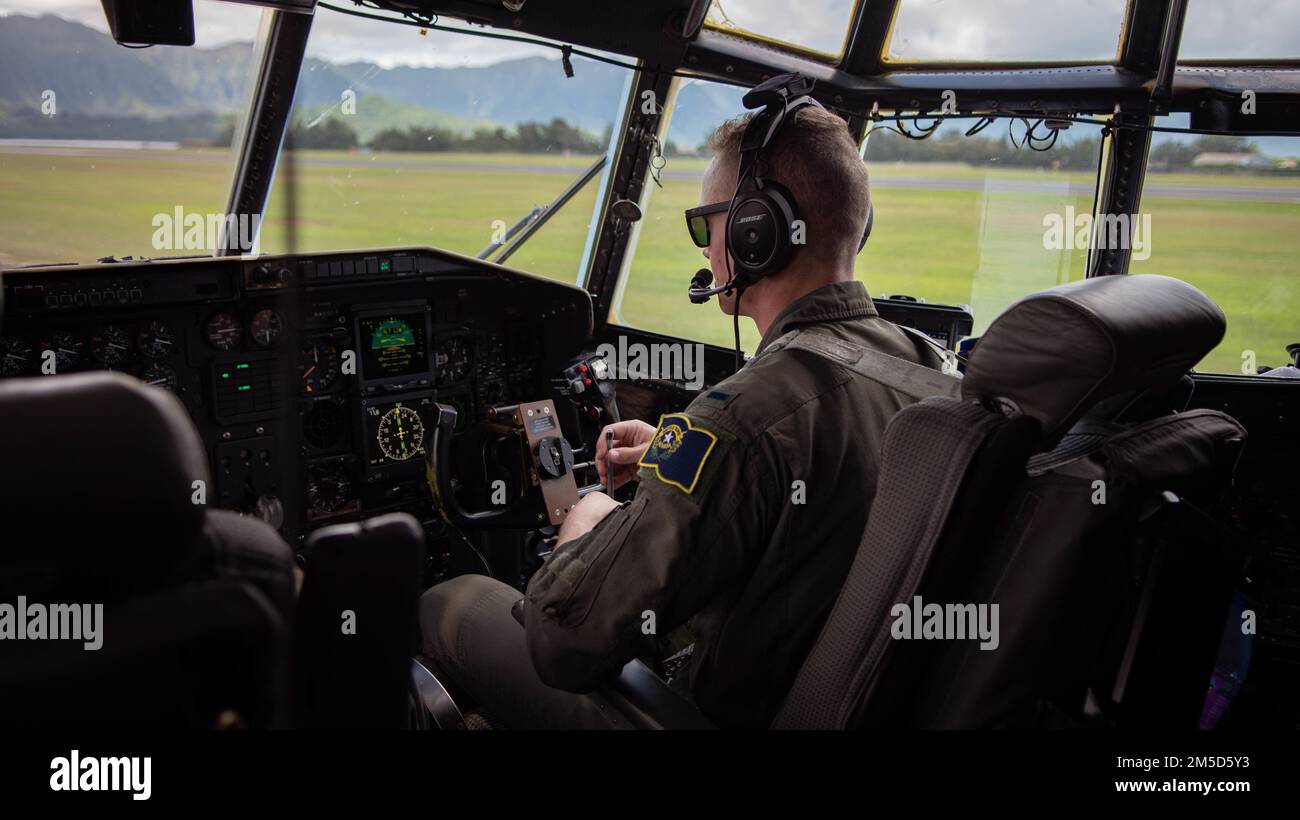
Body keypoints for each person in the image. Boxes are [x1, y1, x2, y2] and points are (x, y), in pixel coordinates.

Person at [419, 89, 945, 729]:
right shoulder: (931, 369)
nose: (704, 247)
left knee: (451, 599)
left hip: (713, 709)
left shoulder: (738, 421)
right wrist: (679, 450)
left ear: (758, 230)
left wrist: (585, 521)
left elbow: (564, 644)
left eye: (707, 223)